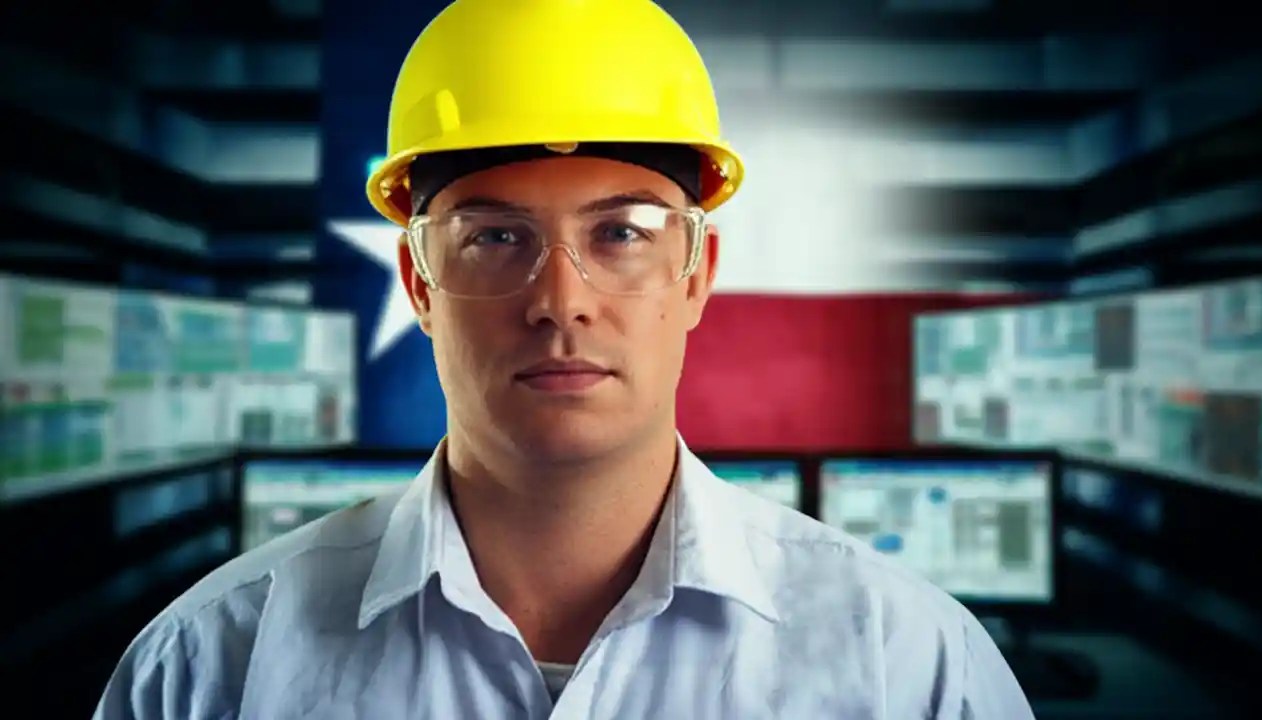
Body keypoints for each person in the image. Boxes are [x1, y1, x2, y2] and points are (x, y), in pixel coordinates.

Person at [94, 0, 1035, 717]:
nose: (560, 302)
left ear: (696, 272)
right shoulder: (213, 668)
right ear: (420, 284)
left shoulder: (908, 665)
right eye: (496, 238)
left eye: (622, 233)